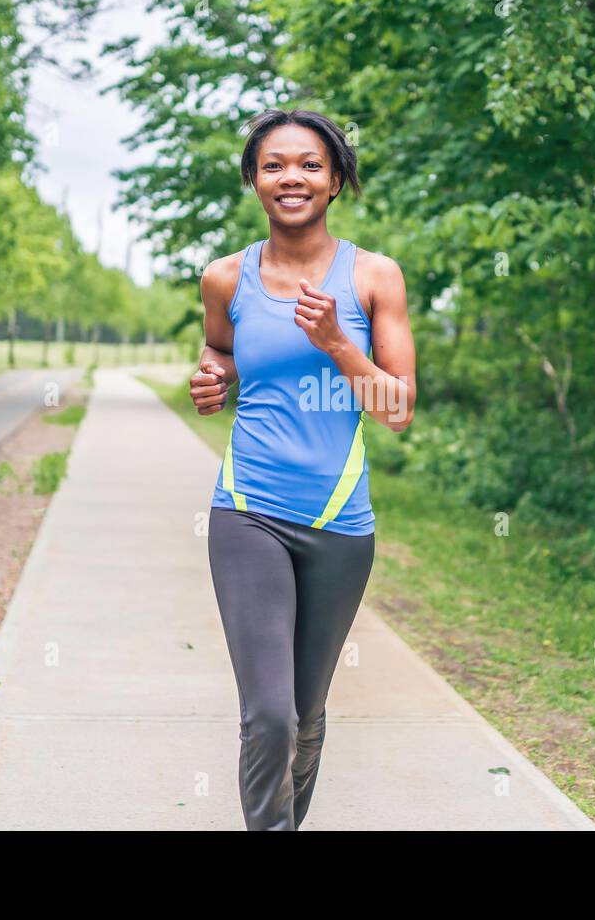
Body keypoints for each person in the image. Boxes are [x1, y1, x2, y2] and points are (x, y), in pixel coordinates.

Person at [189, 108, 417, 830]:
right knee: (270, 717)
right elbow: (221, 352)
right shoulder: (225, 278)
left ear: (336, 180)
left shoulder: (375, 276)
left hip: (339, 524)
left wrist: (338, 345)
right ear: (255, 180)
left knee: (308, 713)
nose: (292, 177)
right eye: (274, 164)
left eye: (311, 164)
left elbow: (397, 408)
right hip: (248, 509)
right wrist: (211, 379)